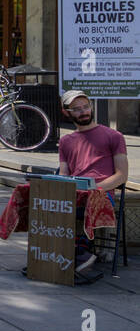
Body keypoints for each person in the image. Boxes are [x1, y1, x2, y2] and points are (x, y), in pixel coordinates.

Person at [59, 90, 128, 277]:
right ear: (67, 112)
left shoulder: (114, 136)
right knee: (45, 200)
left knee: (91, 199)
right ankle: (51, 252)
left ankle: (79, 251)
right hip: (76, 191)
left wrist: (95, 188)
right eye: (77, 109)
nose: (83, 112)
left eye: (86, 107)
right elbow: (64, 175)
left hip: (101, 192)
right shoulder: (65, 141)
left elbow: (121, 176)